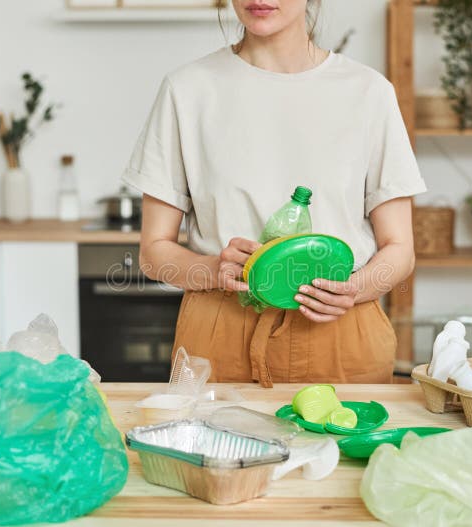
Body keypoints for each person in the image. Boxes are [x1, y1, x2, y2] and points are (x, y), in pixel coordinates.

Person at [124, 0, 426, 387]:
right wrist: (213, 270)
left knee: (346, 449)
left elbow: (400, 249)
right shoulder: (187, 90)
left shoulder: (368, 92)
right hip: (221, 328)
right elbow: (153, 253)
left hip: (341, 330)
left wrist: (356, 288)